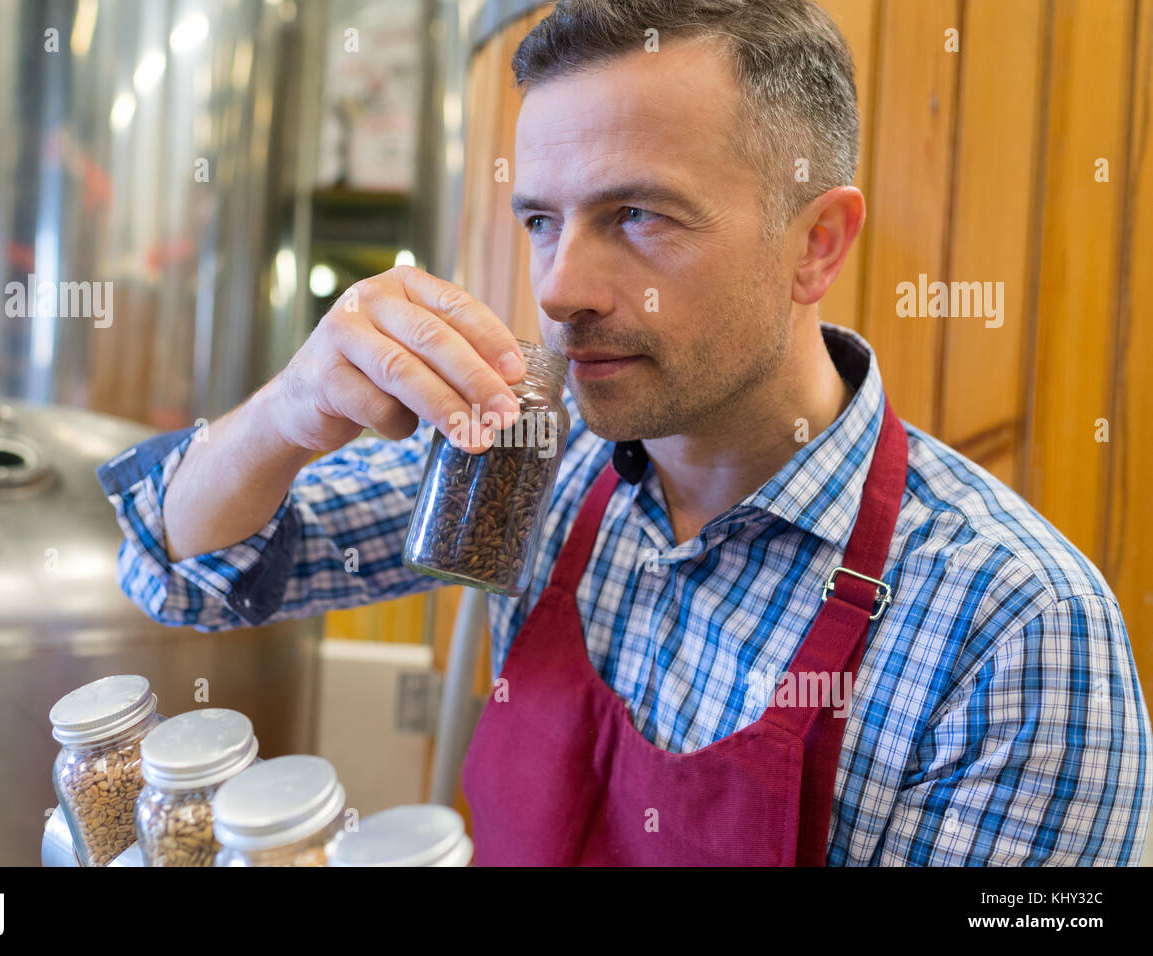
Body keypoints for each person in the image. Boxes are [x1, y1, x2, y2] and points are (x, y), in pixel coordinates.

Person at [97, 0, 1152, 865]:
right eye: (541, 221)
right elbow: (183, 564)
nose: (558, 290)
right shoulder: (539, 466)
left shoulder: (1013, 627)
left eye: (638, 216)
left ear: (815, 245)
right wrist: (288, 412)